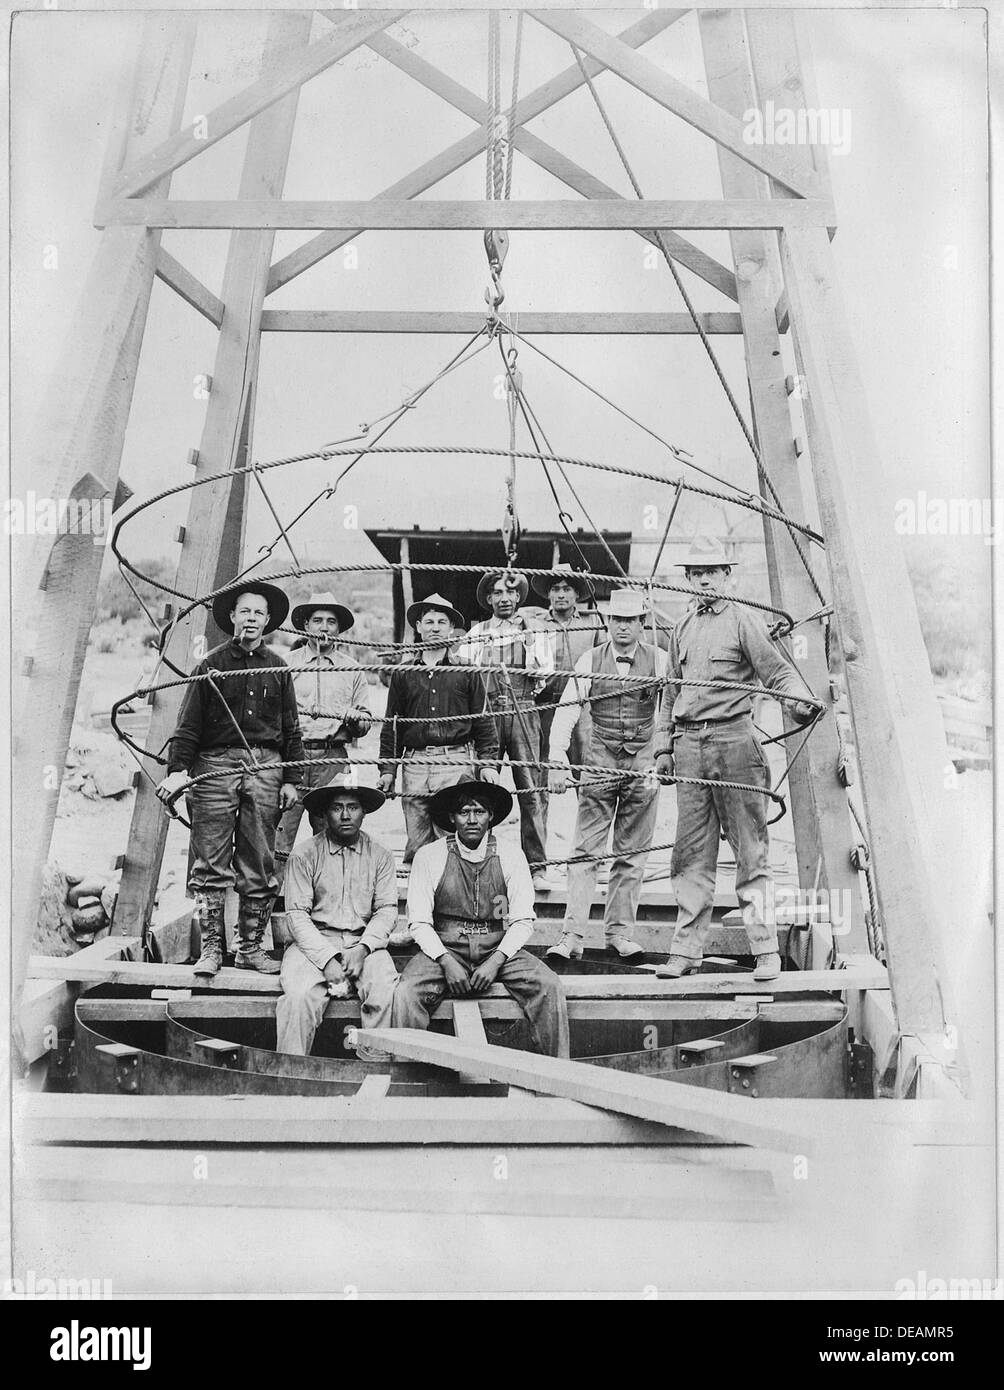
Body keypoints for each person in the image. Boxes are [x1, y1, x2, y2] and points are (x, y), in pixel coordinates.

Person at [654, 537, 818, 982]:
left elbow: (778, 672)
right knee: (690, 854)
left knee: (750, 850)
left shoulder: (744, 620)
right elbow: (670, 692)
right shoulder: (682, 627)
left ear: (727, 575)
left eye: (712, 572)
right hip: (689, 748)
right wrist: (664, 747)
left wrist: (799, 701)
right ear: (688, 579)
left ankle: (764, 950)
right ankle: (685, 952)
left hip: (735, 744)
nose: (704, 580)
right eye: (696, 573)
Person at [156, 582, 303, 976]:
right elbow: (188, 725)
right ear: (233, 617)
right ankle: (211, 950)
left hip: (265, 767)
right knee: (210, 859)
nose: (251, 618)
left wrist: (292, 778)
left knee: (260, 857)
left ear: (267, 621)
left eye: (259, 612)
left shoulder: (278, 668)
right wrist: (177, 772)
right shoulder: (210, 666)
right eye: (245, 611)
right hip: (214, 766)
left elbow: (292, 729)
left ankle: (249, 948)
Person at [392, 780, 569, 1057]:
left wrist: (496, 961)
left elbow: (522, 920)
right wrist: (446, 961)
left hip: (497, 946)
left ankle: (556, 1072)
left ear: (491, 816)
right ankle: (406, 1072)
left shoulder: (512, 855)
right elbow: (419, 922)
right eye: (464, 812)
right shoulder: (429, 856)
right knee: (405, 994)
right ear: (452, 817)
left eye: (479, 811)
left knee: (549, 986)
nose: (472, 820)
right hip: (446, 947)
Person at [546, 590, 669, 961]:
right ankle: (572, 936)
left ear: (642, 623)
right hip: (599, 762)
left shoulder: (660, 660)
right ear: (608, 622)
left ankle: (620, 934)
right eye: (617, 620)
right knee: (585, 851)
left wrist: (668, 752)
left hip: (644, 766)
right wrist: (557, 757)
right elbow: (568, 709)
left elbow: (672, 709)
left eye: (630, 620)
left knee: (633, 853)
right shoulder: (590, 659)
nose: (623, 627)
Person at [276, 776, 399, 1061]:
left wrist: (363, 948)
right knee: (297, 999)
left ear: (364, 812)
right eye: (337, 807)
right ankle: (292, 1073)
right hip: (313, 945)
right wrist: (328, 959)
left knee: (385, 990)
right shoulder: (304, 854)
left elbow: (386, 910)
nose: (345, 815)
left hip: (363, 943)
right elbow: (297, 915)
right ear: (324, 813)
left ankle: (376, 1068)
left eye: (353, 807)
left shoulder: (380, 855)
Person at [378, 593, 500, 863]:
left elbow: (484, 722)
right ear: (418, 627)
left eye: (442, 622)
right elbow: (392, 726)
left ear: (451, 628)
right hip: (415, 764)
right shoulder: (403, 673)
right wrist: (388, 770)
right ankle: (419, 887)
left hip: (454, 761)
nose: (435, 628)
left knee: (454, 838)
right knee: (418, 841)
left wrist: (488, 764)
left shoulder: (467, 671)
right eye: (429, 622)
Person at [459, 570, 558, 892]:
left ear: (518, 597)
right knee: (480, 787)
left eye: (510, 593)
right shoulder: (477, 632)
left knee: (531, 789)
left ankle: (536, 867)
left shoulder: (534, 630)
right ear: (489, 598)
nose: (504, 598)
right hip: (487, 713)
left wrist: (528, 642)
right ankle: (475, 862)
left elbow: (544, 672)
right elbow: (462, 672)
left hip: (523, 710)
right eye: (498, 593)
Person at [274, 592, 371, 885]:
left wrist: (356, 719)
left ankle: (330, 901)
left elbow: (365, 723)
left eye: (331, 621)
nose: (324, 627)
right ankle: (274, 903)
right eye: (317, 620)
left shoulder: (352, 669)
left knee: (334, 835)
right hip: (292, 757)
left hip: (333, 759)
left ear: (339, 628)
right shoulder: (285, 664)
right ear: (306, 625)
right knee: (279, 835)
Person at [530, 564, 606, 797]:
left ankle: (587, 819)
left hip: (582, 708)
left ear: (577, 594)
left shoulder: (592, 624)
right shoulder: (535, 624)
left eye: (567, 589)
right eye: (555, 589)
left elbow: (604, 663)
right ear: (548, 593)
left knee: (586, 774)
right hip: (545, 705)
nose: (561, 594)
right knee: (541, 775)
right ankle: (539, 821)